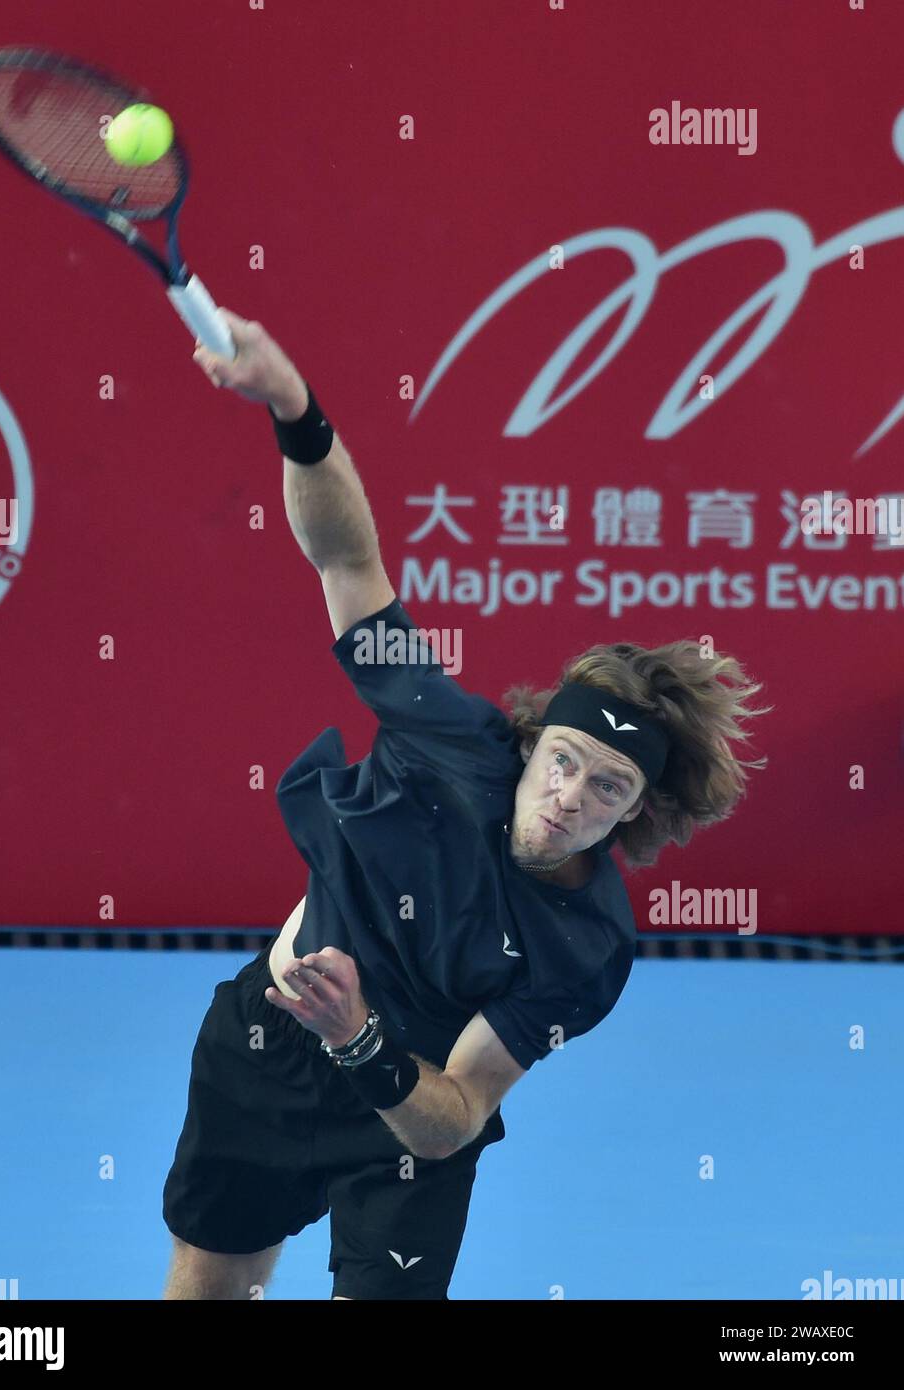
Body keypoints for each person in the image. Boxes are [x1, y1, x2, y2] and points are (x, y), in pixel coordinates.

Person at [161, 312, 770, 1300]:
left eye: (609, 788)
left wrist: (362, 1039)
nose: (574, 798)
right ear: (531, 745)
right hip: (271, 1039)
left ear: (633, 816)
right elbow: (348, 565)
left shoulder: (586, 946)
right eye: (566, 762)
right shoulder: (445, 735)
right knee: (211, 1282)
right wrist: (293, 408)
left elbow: (457, 1109)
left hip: (409, 1105)